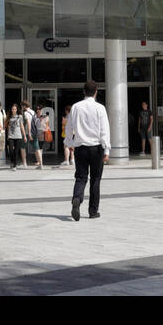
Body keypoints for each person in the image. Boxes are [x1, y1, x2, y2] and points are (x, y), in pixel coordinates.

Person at [65, 81, 109, 221]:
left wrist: (69, 143)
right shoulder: (100, 108)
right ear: (96, 91)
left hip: (80, 148)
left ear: (84, 92)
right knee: (95, 179)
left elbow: (69, 127)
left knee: (81, 177)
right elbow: (104, 130)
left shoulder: (76, 107)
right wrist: (106, 148)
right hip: (96, 148)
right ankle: (93, 211)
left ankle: (77, 198)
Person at [5, 100, 24, 169]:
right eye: (13, 109)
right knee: (11, 150)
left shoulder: (20, 117)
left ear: (16, 110)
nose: (14, 110)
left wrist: (24, 136)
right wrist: (7, 136)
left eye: (15, 109)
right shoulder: (9, 117)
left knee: (16, 151)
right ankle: (12, 161)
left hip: (18, 135)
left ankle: (14, 165)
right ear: (11, 109)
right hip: (11, 136)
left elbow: (22, 126)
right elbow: (8, 127)